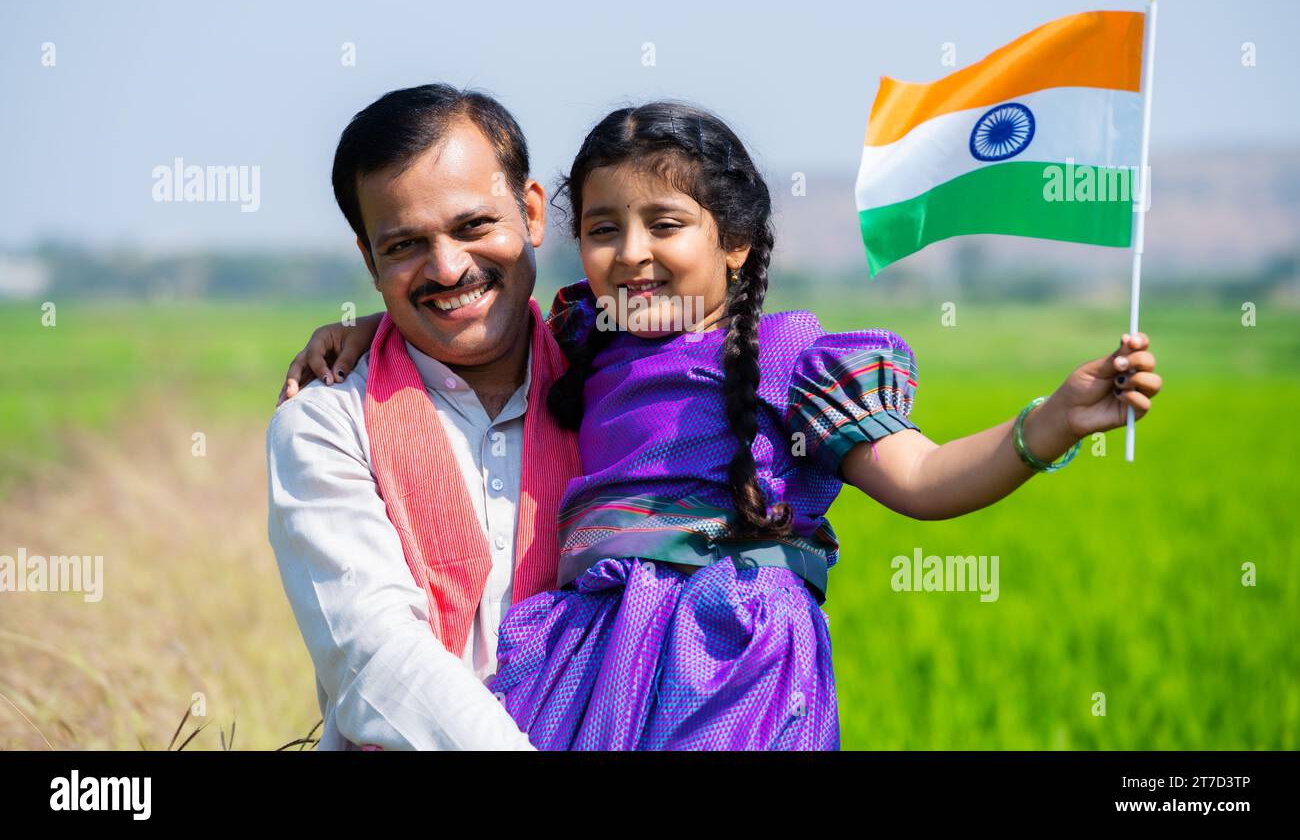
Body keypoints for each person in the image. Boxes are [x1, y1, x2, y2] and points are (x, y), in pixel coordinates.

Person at [285, 101, 1162, 750]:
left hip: (733, 655)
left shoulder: (794, 367)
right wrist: (377, 337)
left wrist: (1045, 425)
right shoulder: (582, 344)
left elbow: (925, 479)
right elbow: (460, 326)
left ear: (735, 243)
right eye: (602, 230)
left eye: (665, 224)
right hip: (593, 653)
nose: (631, 252)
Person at [266, 83, 581, 750]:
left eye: (473, 227)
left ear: (530, 212)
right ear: (369, 261)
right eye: (406, 245)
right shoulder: (325, 425)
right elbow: (376, 660)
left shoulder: (614, 392)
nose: (448, 267)